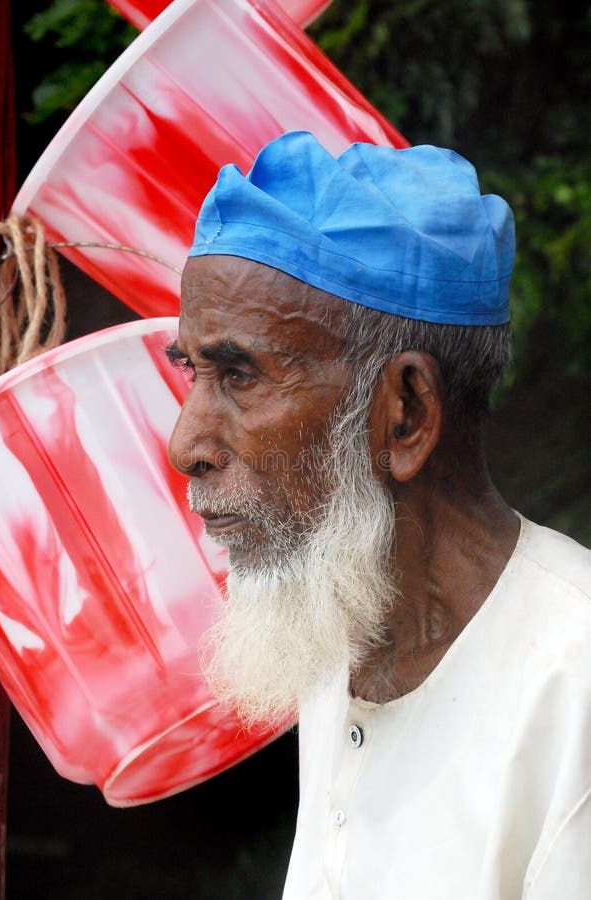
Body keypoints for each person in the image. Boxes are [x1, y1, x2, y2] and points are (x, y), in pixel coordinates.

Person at [167, 131, 591, 899]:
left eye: (238, 374)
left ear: (405, 414)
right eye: (192, 371)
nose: (185, 443)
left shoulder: (575, 683)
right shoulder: (338, 624)